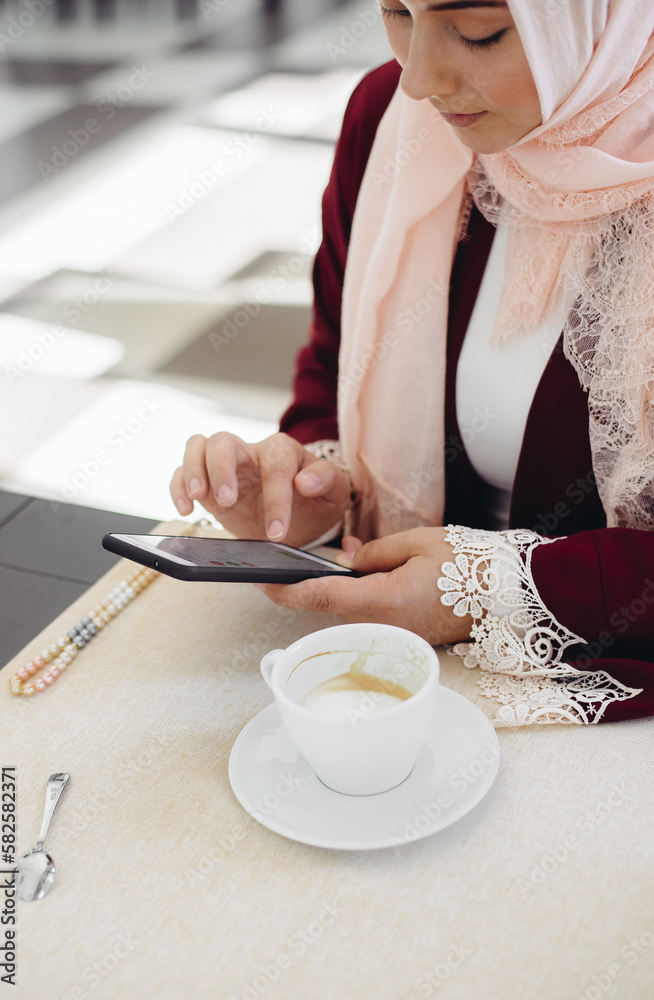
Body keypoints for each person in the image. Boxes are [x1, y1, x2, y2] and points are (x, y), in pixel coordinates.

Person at [170, 0, 654, 726]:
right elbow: (333, 364)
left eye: (481, 32)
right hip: (407, 677)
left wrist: (494, 590)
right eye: (397, 11)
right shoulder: (392, 122)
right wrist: (311, 488)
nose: (420, 79)